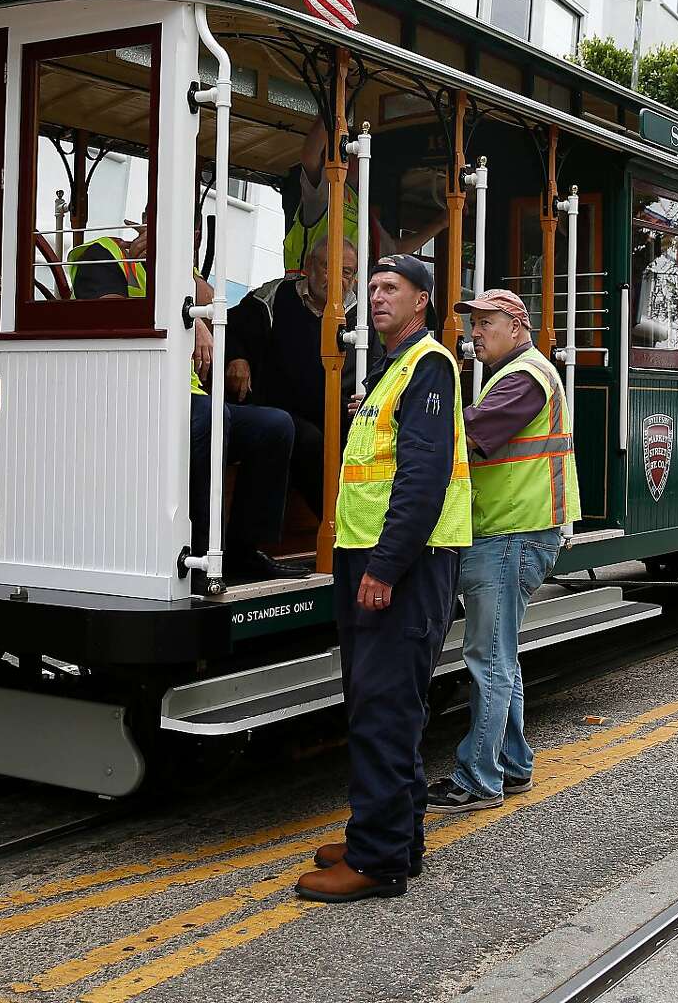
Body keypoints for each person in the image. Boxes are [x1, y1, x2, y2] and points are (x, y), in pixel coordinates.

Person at [297, 254, 469, 902]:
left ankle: (377, 860)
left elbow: (422, 481)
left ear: (421, 300)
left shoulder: (428, 366)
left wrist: (386, 566)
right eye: (370, 287)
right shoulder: (393, 369)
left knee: (382, 709)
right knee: (384, 705)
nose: (375, 297)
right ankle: (394, 834)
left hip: (402, 564)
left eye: (390, 287)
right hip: (371, 557)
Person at [76, 215, 300, 584]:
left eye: (193, 233)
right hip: (128, 393)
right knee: (212, 417)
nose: (186, 237)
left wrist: (176, 266)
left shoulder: (183, 267)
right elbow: (110, 311)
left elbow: (214, 306)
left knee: (275, 425)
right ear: (147, 219)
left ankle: (241, 551)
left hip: (184, 396)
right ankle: (196, 552)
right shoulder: (105, 255)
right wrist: (188, 318)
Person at [427, 289, 580, 813]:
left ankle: (477, 779)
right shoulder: (521, 374)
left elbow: (469, 433)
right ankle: (511, 764)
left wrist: (399, 416)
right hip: (517, 530)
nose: (476, 333)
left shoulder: (522, 378)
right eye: (473, 324)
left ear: (518, 327)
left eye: (486, 323)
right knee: (501, 656)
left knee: (487, 659)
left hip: (512, 533)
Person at [228, 238, 383, 517]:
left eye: (347, 272)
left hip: (338, 412)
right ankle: (338, 526)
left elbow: (376, 370)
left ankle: (371, 528)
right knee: (307, 439)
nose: (338, 279)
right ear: (309, 266)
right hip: (283, 409)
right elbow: (231, 326)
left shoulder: (361, 315)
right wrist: (237, 357)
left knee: (376, 436)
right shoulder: (275, 297)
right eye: (329, 267)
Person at [283, 120, 447, 275]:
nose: (354, 160)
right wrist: (338, 99)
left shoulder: (362, 209)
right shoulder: (327, 189)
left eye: (357, 154)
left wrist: (441, 223)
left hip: (349, 301)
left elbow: (395, 250)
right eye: (350, 153)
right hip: (308, 297)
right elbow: (309, 157)